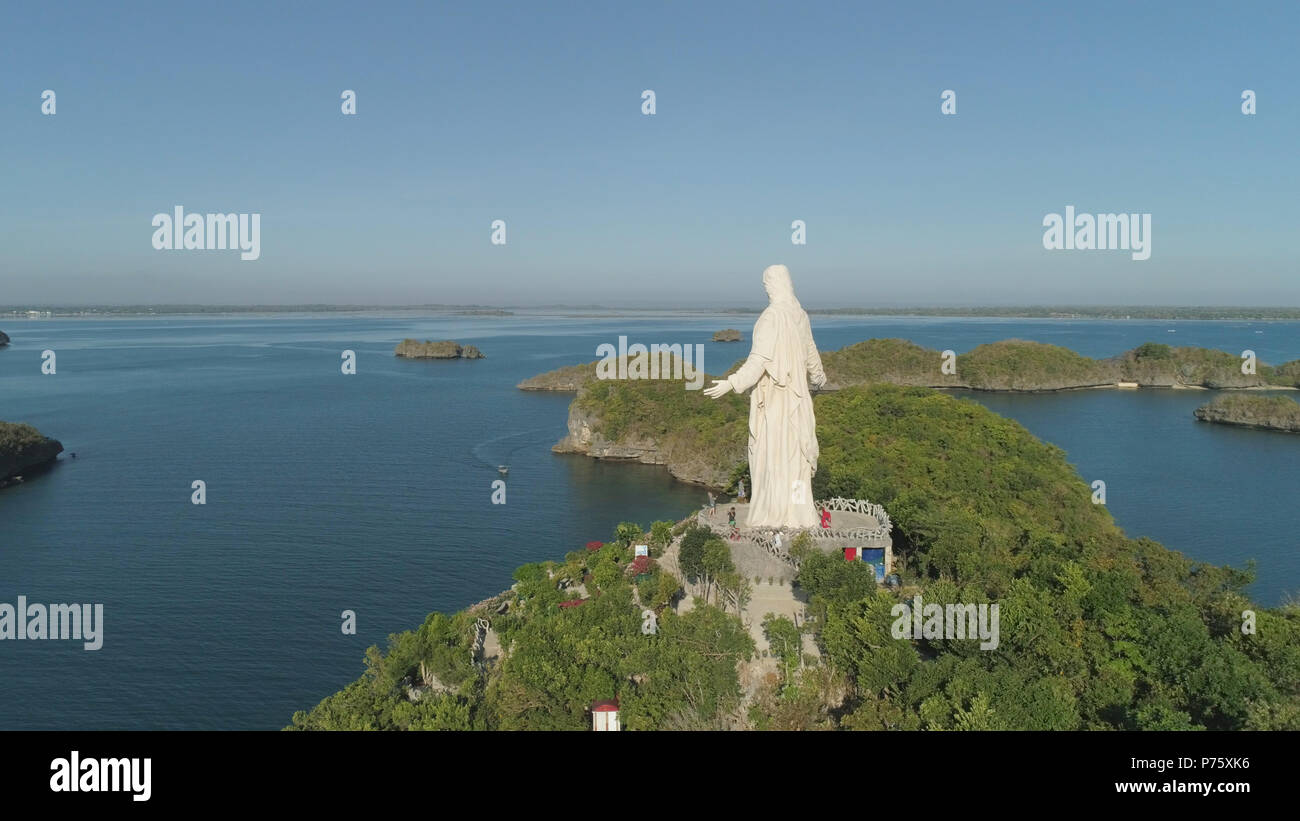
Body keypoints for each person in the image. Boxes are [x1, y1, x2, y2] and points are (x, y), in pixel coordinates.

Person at [704, 265, 825, 529]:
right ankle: (797, 514)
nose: (766, 289)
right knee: (795, 460)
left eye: (767, 284)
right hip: (798, 399)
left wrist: (731, 383)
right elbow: (811, 351)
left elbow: (758, 362)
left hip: (775, 403)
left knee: (774, 459)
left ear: (775, 284)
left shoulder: (771, 317)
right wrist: (818, 377)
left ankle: (775, 513)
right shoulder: (799, 315)